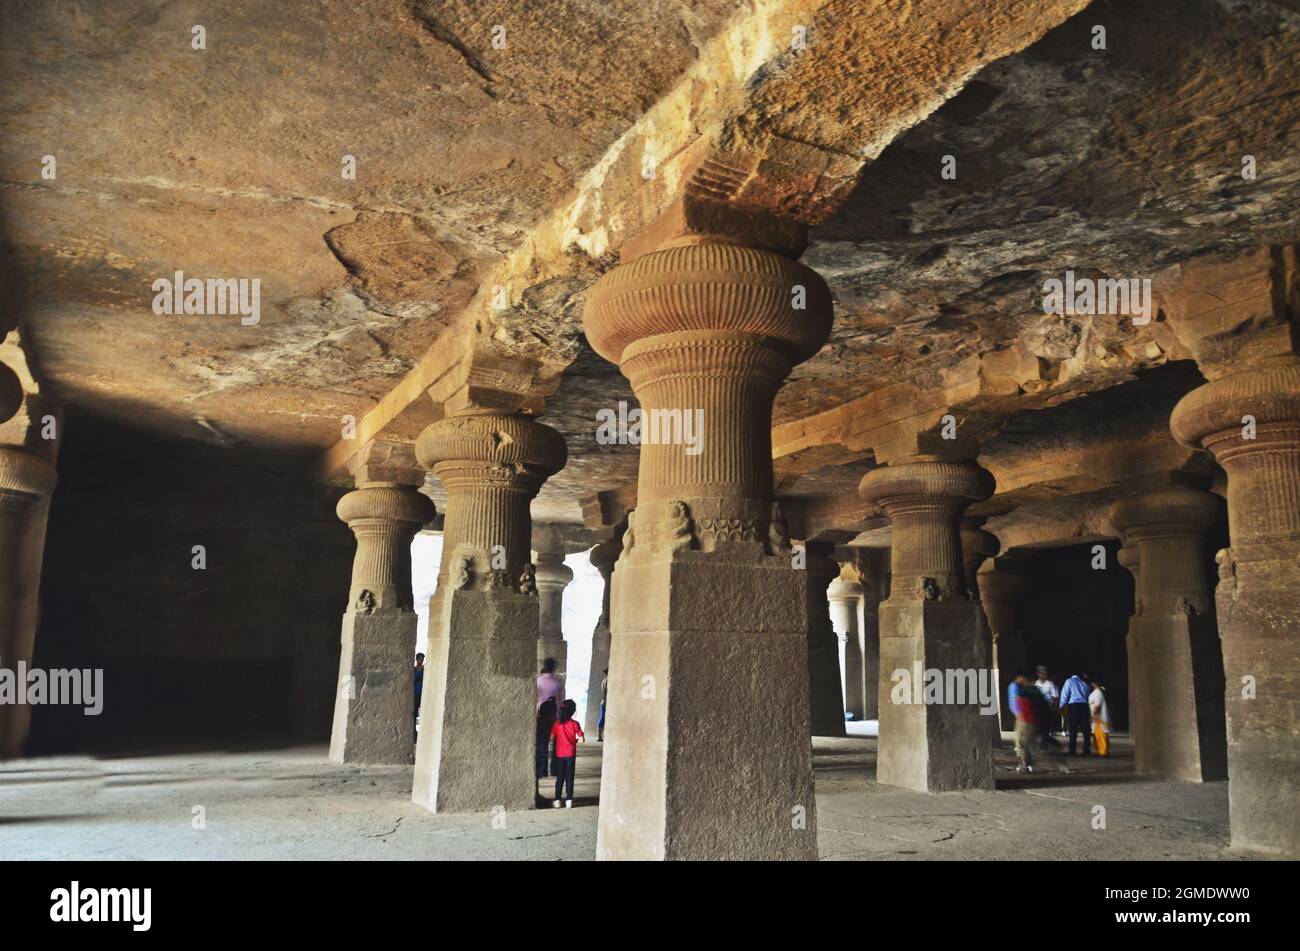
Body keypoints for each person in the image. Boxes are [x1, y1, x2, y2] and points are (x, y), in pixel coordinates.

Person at [550, 699, 584, 808]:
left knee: (560, 777)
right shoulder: (575, 724)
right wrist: (574, 741)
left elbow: (551, 738)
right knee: (570, 777)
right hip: (571, 754)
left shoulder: (557, 724)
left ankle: (557, 800)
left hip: (560, 754)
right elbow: (582, 740)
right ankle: (569, 800)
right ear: (573, 711)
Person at [1009, 672, 1037, 773]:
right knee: (1028, 743)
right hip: (1031, 720)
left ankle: (1023, 765)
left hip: (1024, 720)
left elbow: (1016, 701)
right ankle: (1029, 765)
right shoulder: (1034, 692)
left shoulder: (1022, 690)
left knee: (1021, 744)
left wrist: (1019, 716)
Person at [1060, 670, 1092, 756]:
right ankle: (1086, 750)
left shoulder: (1069, 681)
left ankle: (1072, 750)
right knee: (1086, 729)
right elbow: (1089, 695)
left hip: (1074, 706)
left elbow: (1065, 694)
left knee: (1073, 729)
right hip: (1085, 706)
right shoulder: (1085, 682)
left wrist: (1061, 706)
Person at [535, 697, 557, 796]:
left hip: (541, 748)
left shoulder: (542, 723)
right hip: (540, 749)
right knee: (537, 769)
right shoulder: (541, 725)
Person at [1089, 676, 1111, 757]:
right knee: (1097, 735)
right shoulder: (1098, 692)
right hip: (1098, 719)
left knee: (1101, 735)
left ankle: (1103, 752)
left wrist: (1092, 716)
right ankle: (1099, 751)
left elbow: (1097, 706)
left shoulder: (1097, 693)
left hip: (1099, 718)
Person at [1035, 666, 1060, 736]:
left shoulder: (1050, 684)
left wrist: (1056, 709)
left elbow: (1055, 697)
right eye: (1041, 673)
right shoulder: (1036, 684)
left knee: (1047, 727)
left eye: (1045, 673)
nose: (1043, 675)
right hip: (1039, 707)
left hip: (1048, 708)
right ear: (1038, 674)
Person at [413, 653, 425, 734]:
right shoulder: (414, 669)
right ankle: (414, 732)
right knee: (414, 714)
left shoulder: (423, 670)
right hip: (416, 694)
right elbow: (413, 679)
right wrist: (419, 671)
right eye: (420, 659)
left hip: (423, 695)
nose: (421, 661)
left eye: (422, 660)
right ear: (416, 660)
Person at [597, 669, 608, 742]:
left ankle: (599, 736)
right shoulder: (608, 681)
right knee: (603, 719)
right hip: (606, 703)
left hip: (604, 702)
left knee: (602, 718)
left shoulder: (604, 680)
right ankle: (599, 736)